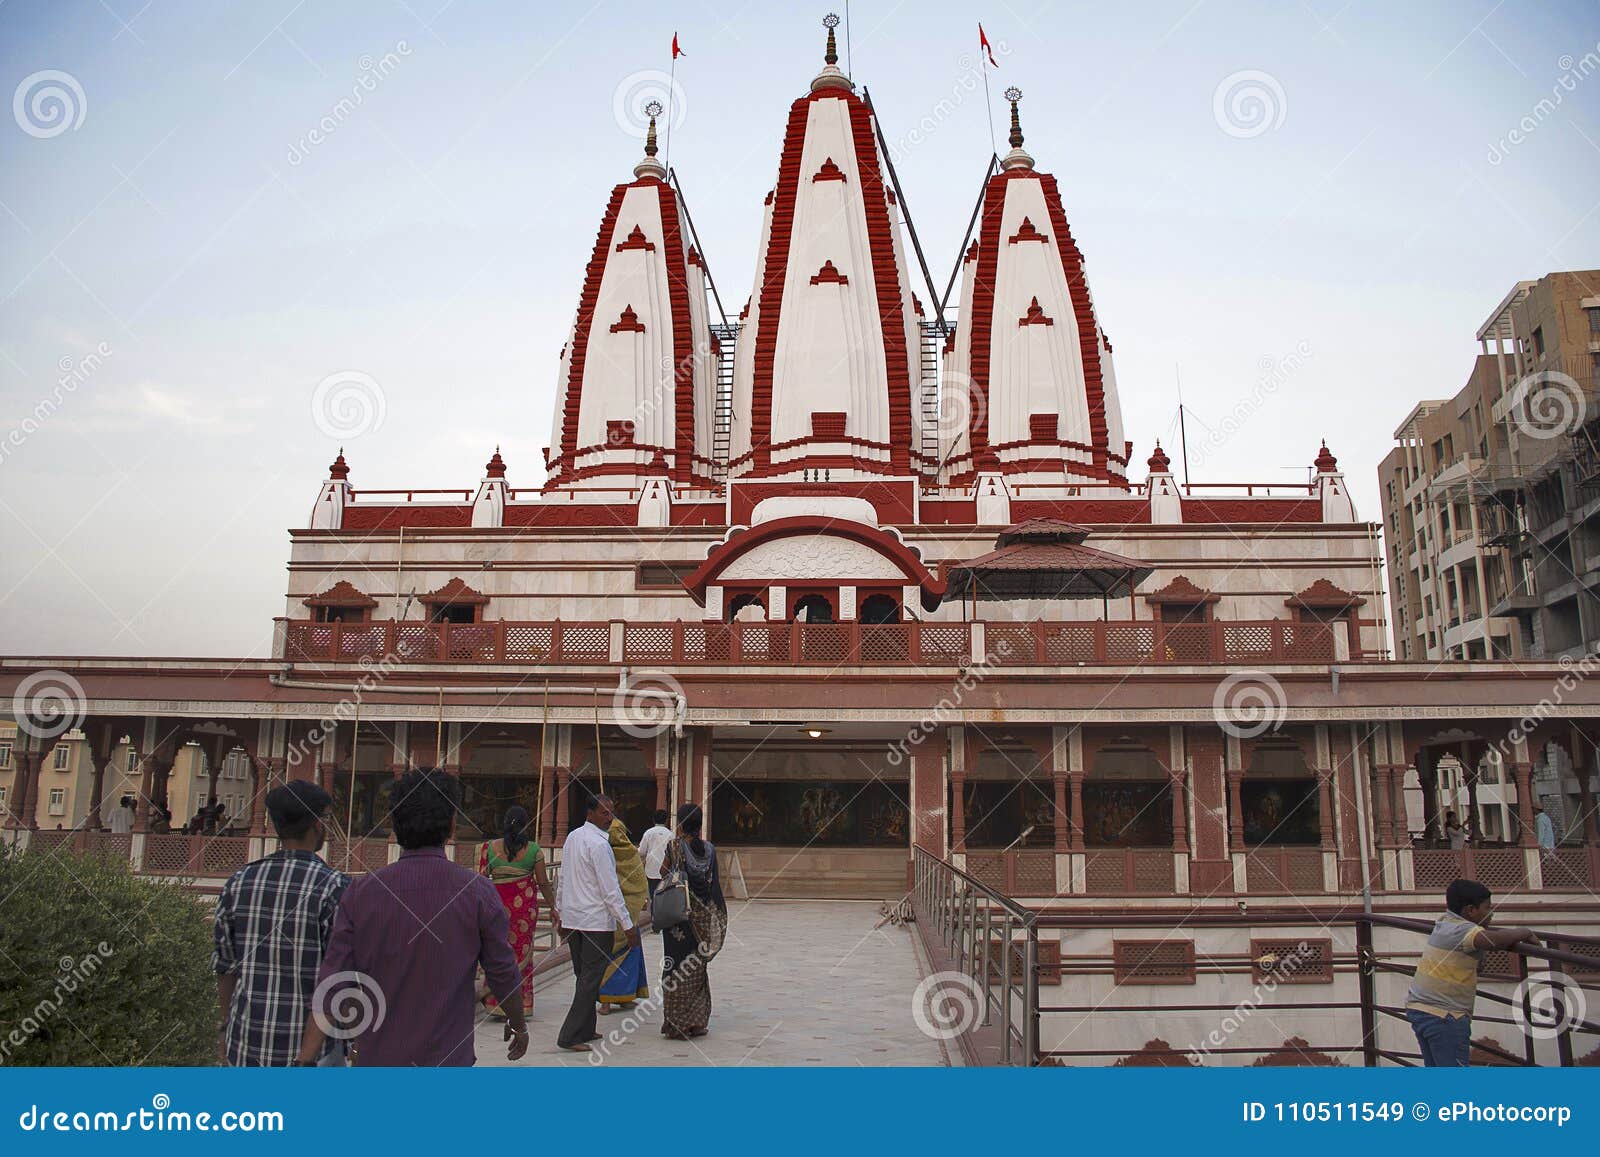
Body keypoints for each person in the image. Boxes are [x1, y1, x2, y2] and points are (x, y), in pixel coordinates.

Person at [301, 767, 527, 1066]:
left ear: (394, 825)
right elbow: (502, 972)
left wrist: (304, 1060)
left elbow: (334, 985)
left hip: (377, 1059)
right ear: (452, 824)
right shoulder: (477, 892)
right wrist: (518, 1023)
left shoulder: (361, 893)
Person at [212, 780, 348, 1066]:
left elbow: (225, 967)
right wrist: (305, 1060)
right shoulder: (333, 887)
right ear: (318, 824)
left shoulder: (238, 883)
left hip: (245, 1042)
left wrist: (224, 1026)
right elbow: (335, 980)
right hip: (311, 1050)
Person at [1405, 877, 1539, 1067]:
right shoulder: (1463, 931)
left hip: (1421, 1008)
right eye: (1487, 908)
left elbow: (1479, 951)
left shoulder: (1445, 922)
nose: (1491, 913)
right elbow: (1494, 941)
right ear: (1470, 910)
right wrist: (1525, 932)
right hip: (1445, 1015)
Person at [554, 792, 638, 1052]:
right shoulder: (599, 845)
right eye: (604, 812)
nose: (609, 817)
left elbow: (563, 878)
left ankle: (586, 1027)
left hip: (575, 918)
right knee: (590, 979)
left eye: (611, 813)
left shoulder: (573, 837)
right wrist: (627, 925)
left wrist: (560, 910)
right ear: (590, 814)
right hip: (594, 922)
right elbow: (610, 889)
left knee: (584, 976)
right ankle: (570, 1035)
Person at [477, 804, 556, 1018]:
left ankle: (495, 1001)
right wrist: (553, 907)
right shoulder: (534, 850)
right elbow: (543, 883)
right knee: (522, 953)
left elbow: (481, 881)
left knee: (496, 951)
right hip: (524, 912)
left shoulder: (489, 848)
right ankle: (521, 1003)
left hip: (497, 908)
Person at [660, 802, 727, 1041]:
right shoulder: (710, 849)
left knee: (675, 968)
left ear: (680, 824)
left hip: (678, 919)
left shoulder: (674, 846)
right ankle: (696, 1022)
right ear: (699, 824)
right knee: (696, 969)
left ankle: (677, 1023)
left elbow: (662, 872)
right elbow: (713, 883)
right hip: (702, 918)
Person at [597, 818, 650, 1012]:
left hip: (615, 911)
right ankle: (607, 999)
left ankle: (622, 997)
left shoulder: (602, 850)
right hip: (621, 912)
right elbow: (639, 883)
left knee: (615, 953)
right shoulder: (605, 851)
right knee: (620, 953)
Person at [638, 809, 673, 900]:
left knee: (653, 896)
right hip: (666, 871)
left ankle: (654, 909)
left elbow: (641, 851)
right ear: (666, 820)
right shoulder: (670, 835)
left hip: (651, 870)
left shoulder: (648, 833)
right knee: (664, 898)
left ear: (653, 820)